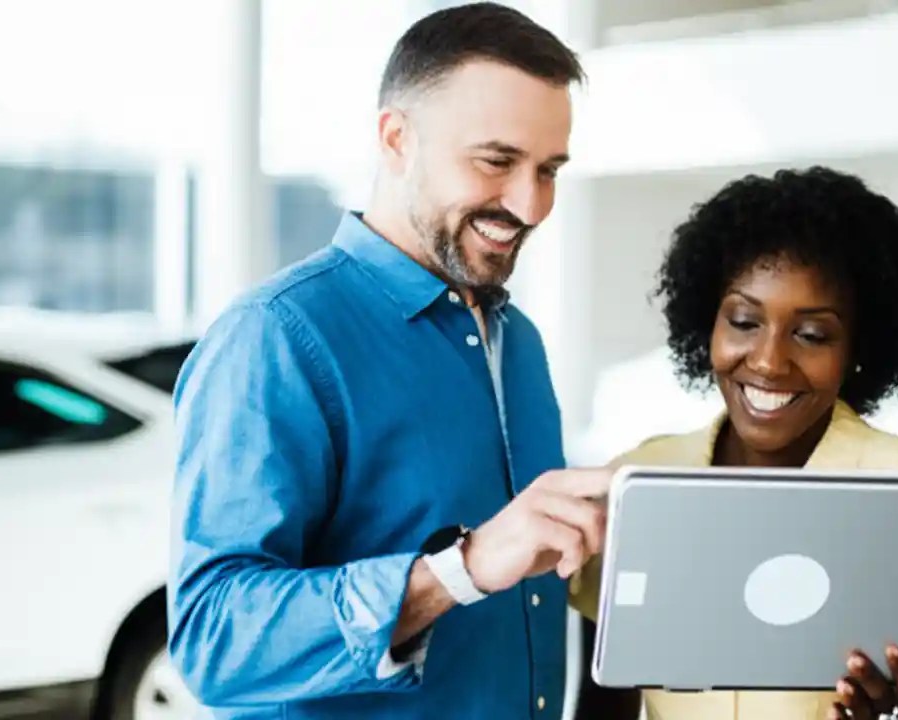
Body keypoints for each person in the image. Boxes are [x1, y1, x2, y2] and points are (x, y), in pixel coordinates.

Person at [168, 4, 611, 719]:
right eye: (496, 161)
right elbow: (216, 643)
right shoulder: (273, 337)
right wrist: (458, 571)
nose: (530, 205)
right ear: (397, 139)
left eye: (549, 170)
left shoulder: (517, 341)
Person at [571, 167, 898, 720]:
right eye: (744, 321)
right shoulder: (636, 484)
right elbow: (603, 709)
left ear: (857, 348)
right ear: (708, 325)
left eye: (812, 335)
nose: (768, 361)